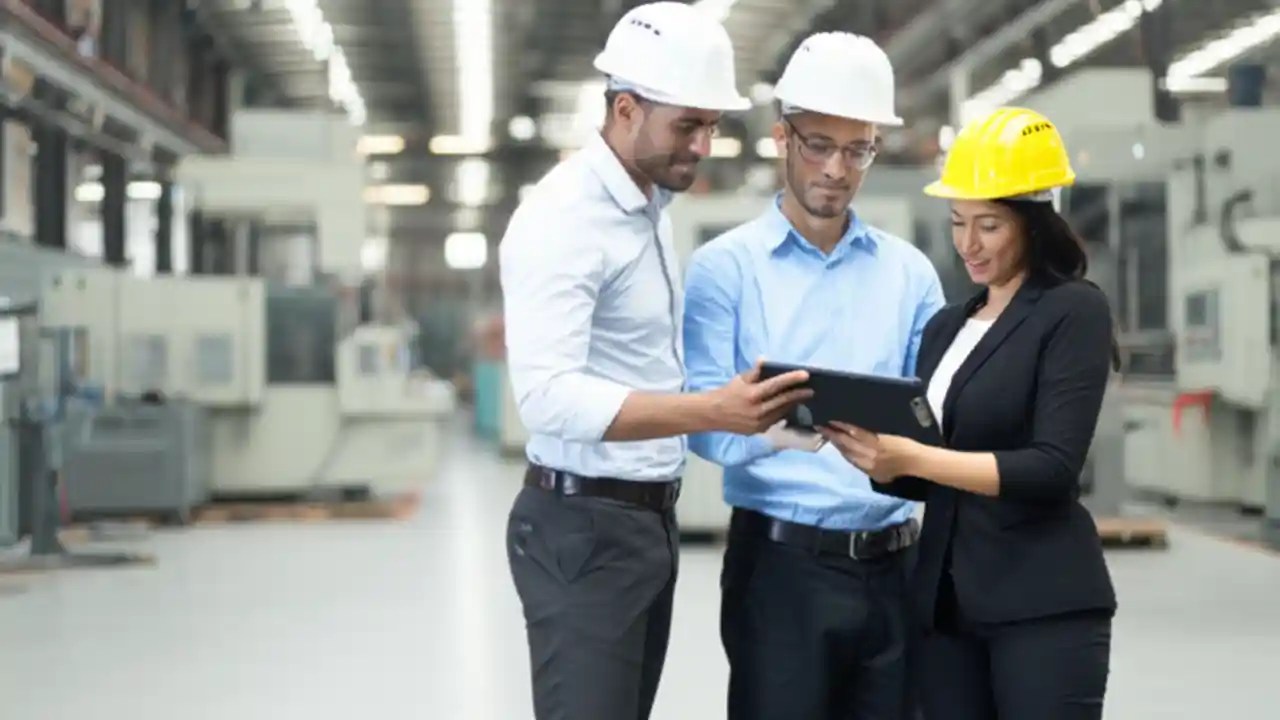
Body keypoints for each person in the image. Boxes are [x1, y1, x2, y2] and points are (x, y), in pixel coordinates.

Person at [498, 4, 812, 719]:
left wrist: (766, 421)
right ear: (626, 108)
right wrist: (710, 411)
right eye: (687, 125)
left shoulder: (646, 209)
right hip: (583, 529)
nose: (703, 145)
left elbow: (642, 368)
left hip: (642, 526)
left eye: (712, 126)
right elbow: (546, 399)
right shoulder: (564, 220)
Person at [819, 106, 1120, 720]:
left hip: (1042, 607)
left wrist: (918, 456)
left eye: (989, 225)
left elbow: (1051, 469)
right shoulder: (946, 326)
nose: (968, 244)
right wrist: (876, 457)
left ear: (1035, 223)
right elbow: (929, 477)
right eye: (958, 222)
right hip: (945, 608)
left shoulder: (1072, 311)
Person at [682, 32, 946, 720]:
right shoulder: (725, 269)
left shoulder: (910, 273)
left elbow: (936, 413)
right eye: (819, 146)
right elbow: (701, 425)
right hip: (780, 570)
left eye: (857, 149)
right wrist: (780, 428)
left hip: (896, 564)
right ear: (782, 138)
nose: (837, 168)